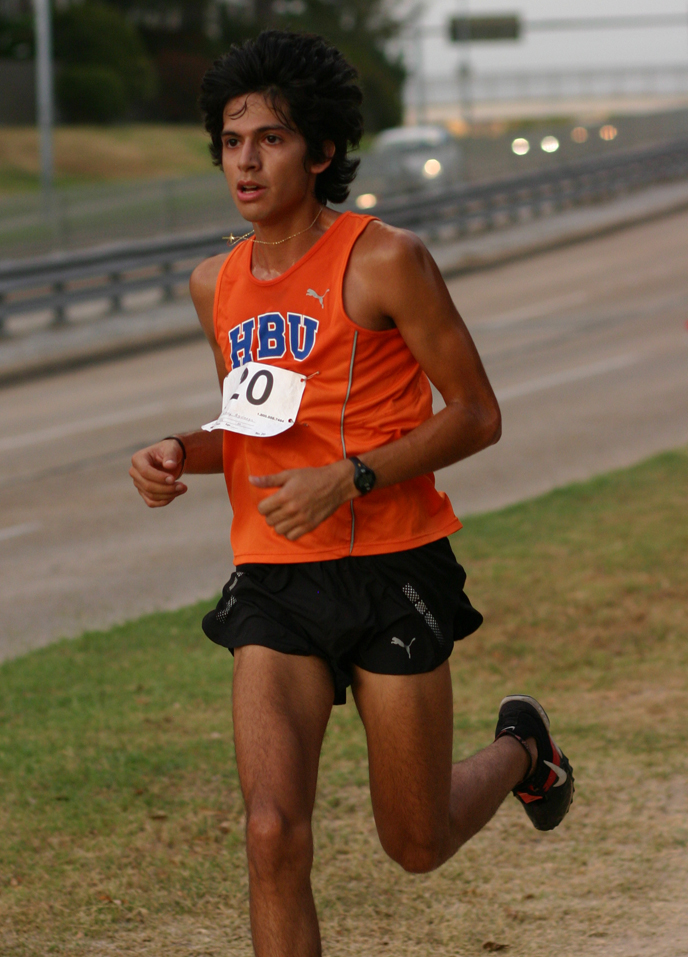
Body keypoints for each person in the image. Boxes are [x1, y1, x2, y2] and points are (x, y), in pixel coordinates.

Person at [129, 30, 573, 957]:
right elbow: (252, 427)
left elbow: (478, 414)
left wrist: (353, 474)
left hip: (391, 567)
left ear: (322, 149)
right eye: (231, 141)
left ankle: (525, 749)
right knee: (270, 831)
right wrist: (176, 449)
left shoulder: (385, 260)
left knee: (416, 841)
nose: (246, 162)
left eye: (272, 139)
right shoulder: (215, 283)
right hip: (276, 578)